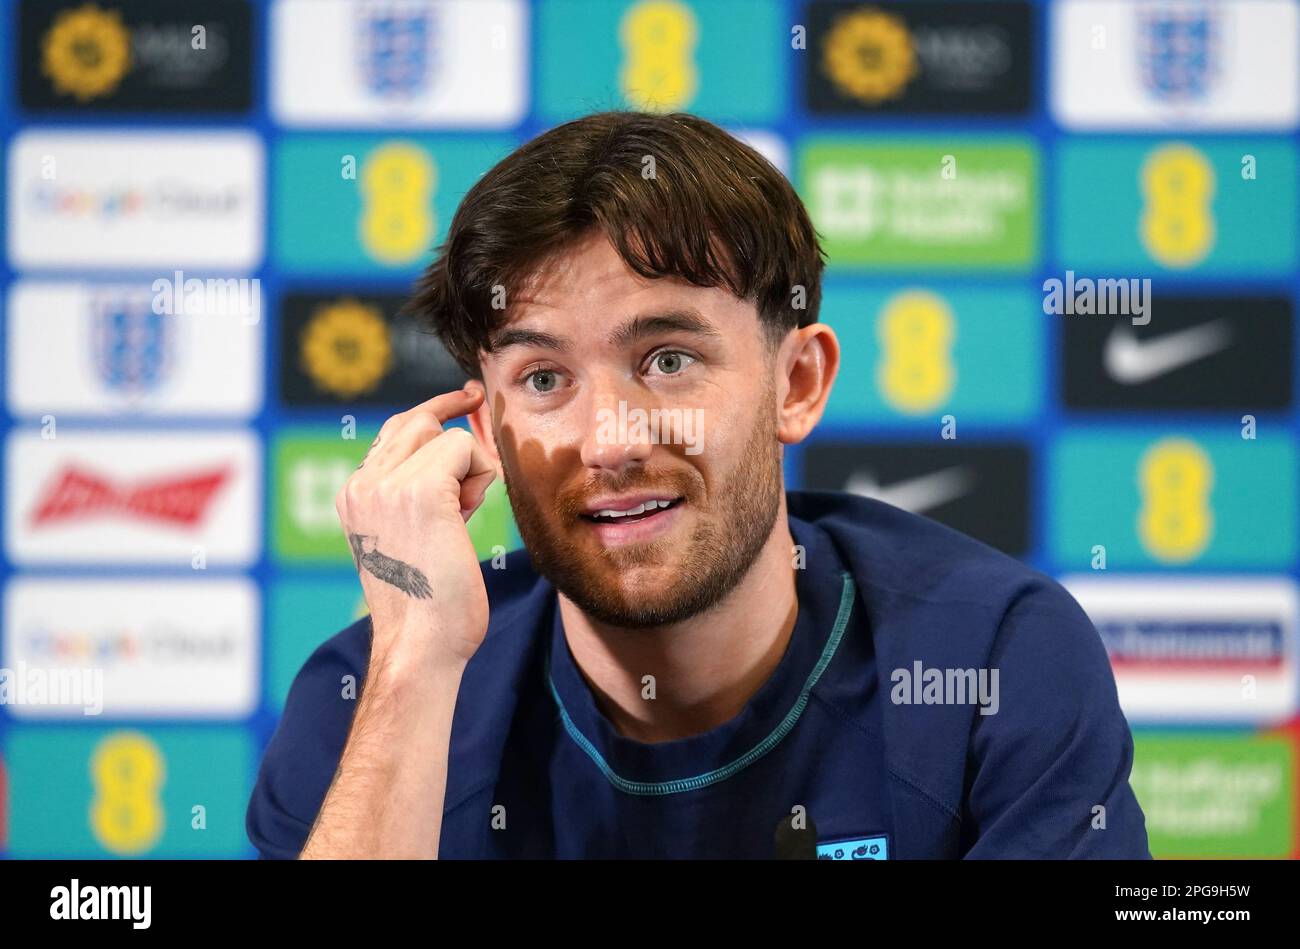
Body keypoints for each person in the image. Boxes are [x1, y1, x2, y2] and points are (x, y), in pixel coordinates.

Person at [247, 111, 1150, 859]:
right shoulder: (368, 697)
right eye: (544, 380)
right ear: (485, 429)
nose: (609, 441)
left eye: (668, 359)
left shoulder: (991, 660)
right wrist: (410, 666)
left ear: (797, 383)